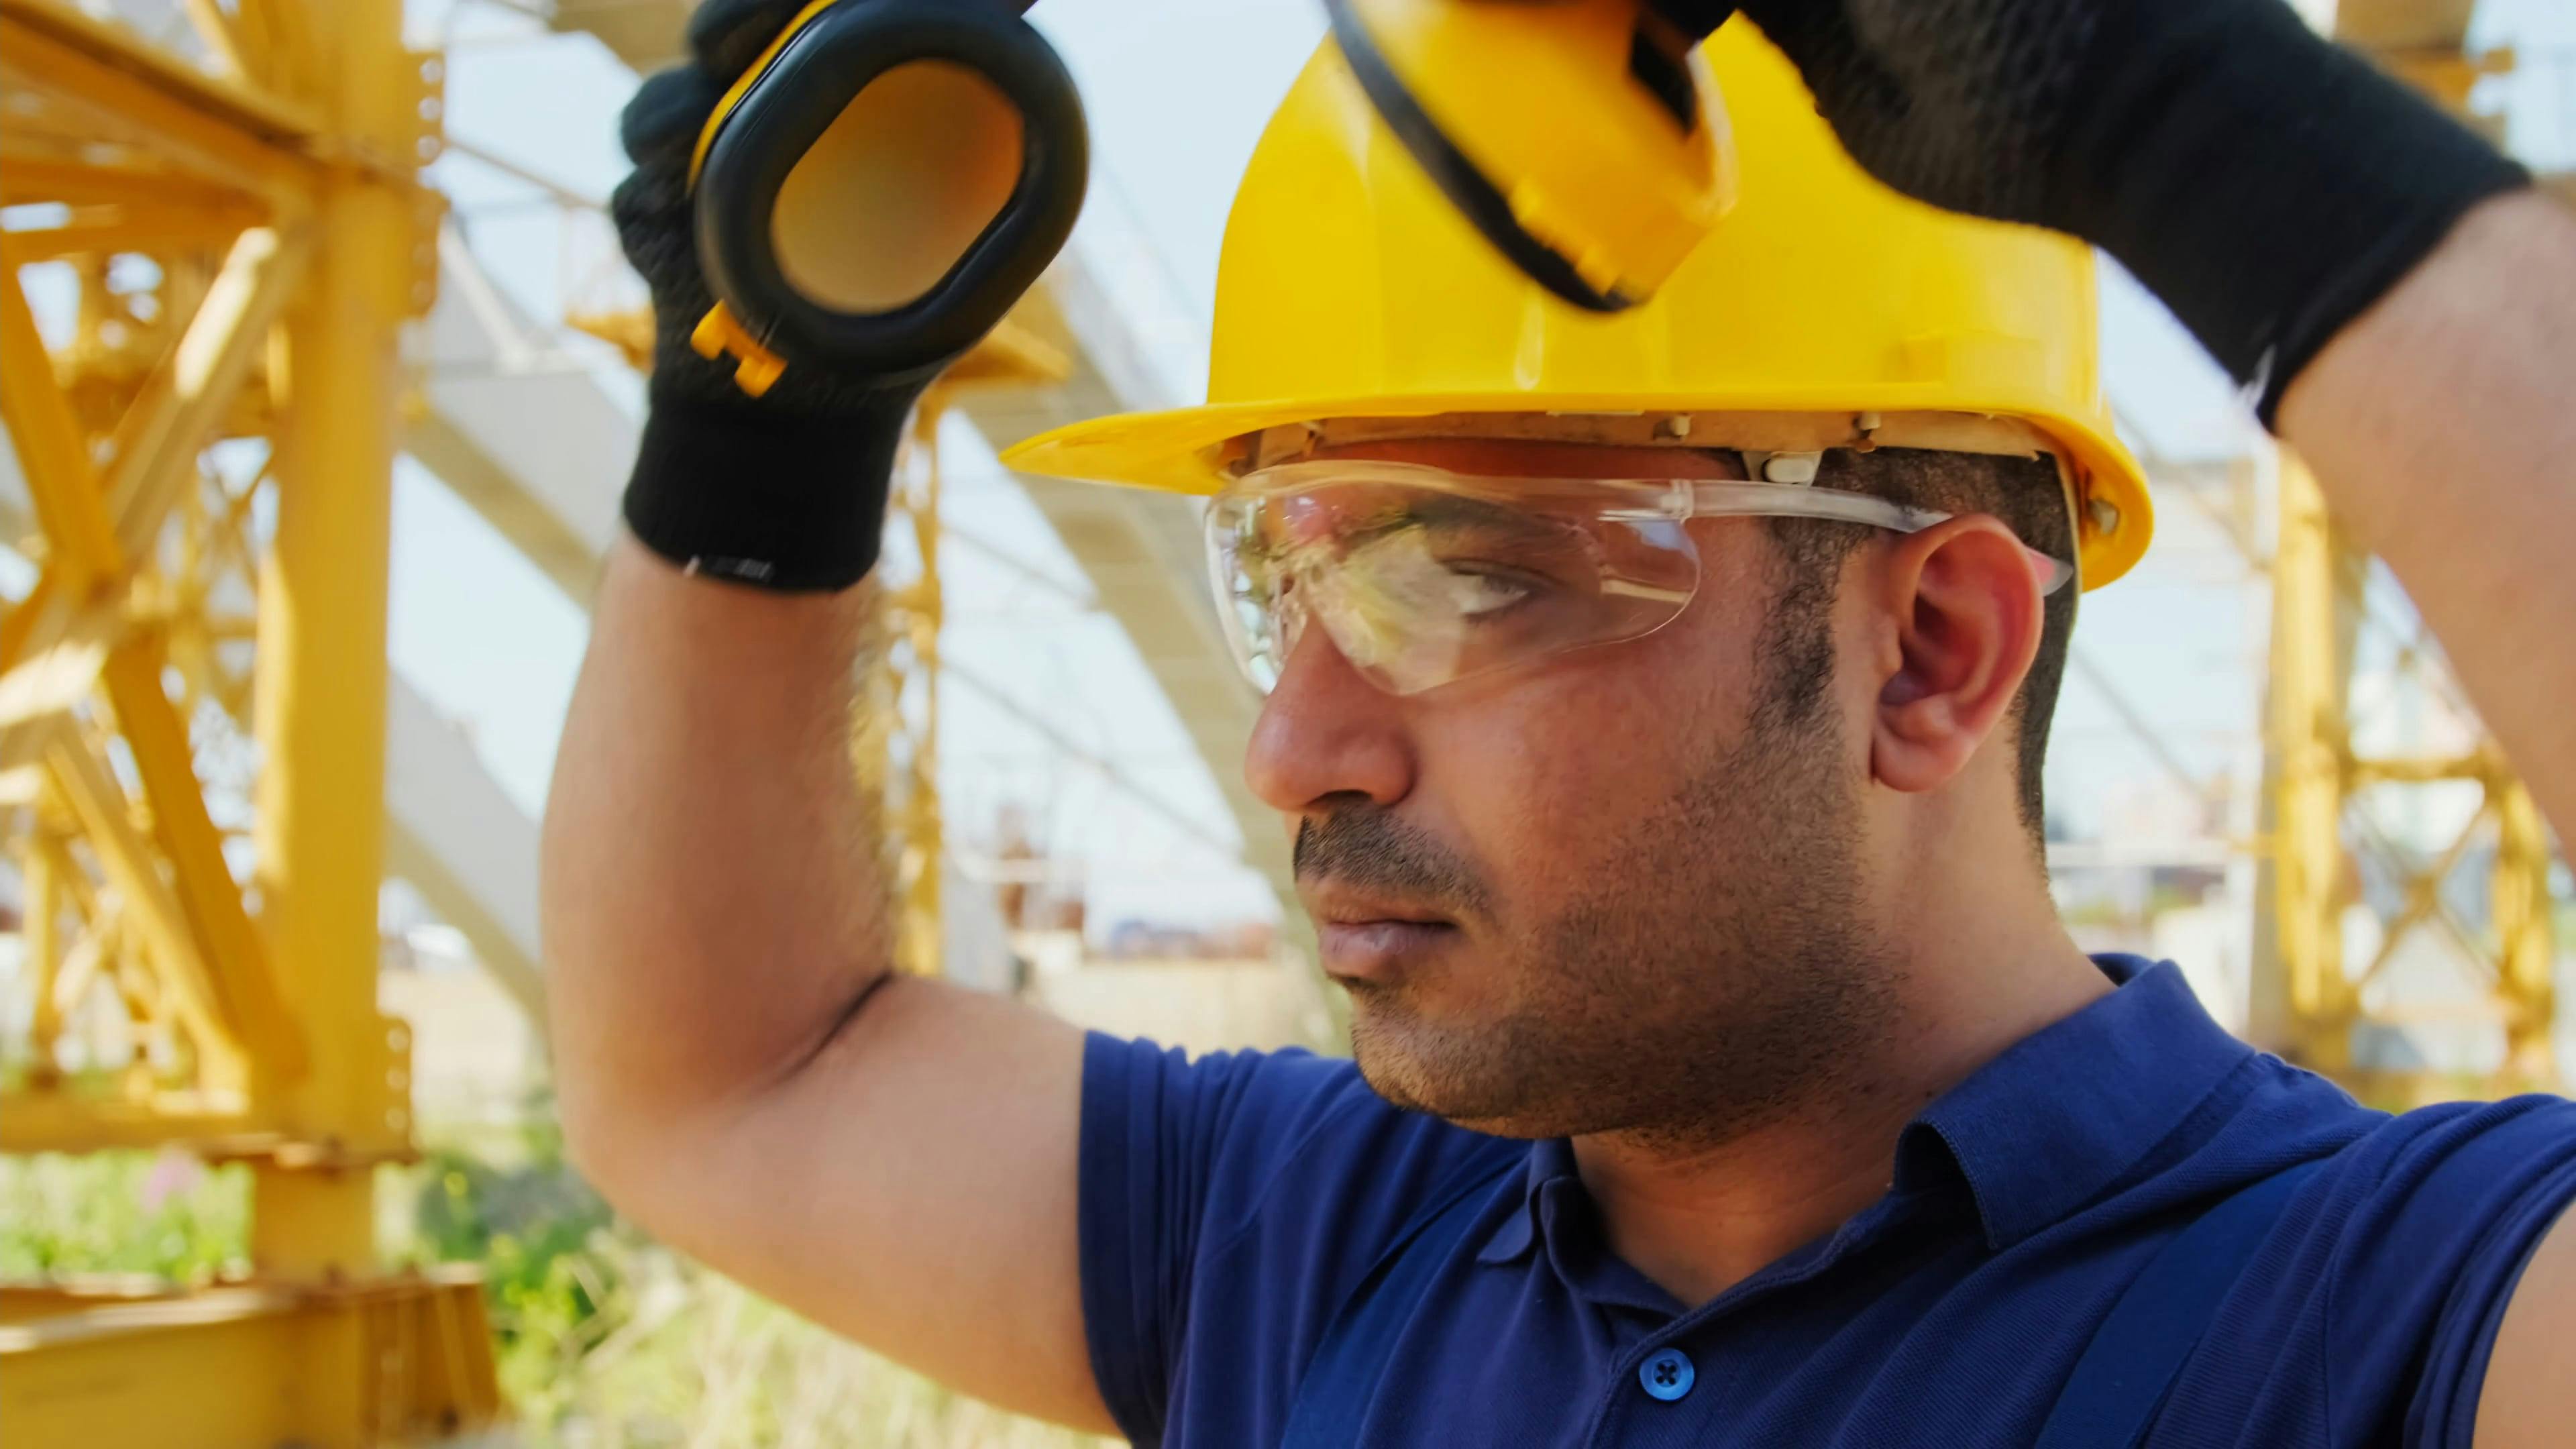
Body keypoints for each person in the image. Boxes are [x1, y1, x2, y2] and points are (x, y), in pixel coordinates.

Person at [542, 0, 2576, 1443]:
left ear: (1934, 652)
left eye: (1462, 578)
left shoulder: (2381, 1320)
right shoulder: (1341, 1232)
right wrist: (758, 432)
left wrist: (2190, 130)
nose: (1294, 751)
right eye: (1289, 582)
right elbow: (735, 1077)